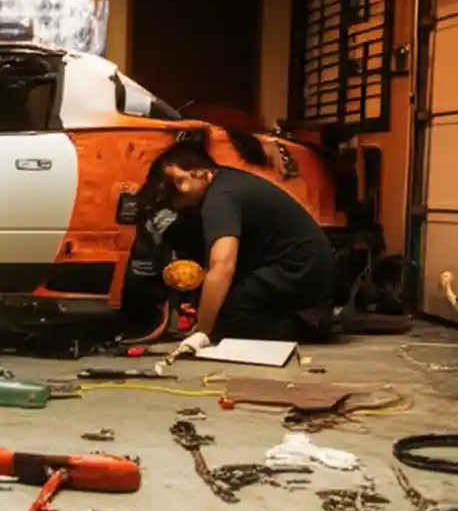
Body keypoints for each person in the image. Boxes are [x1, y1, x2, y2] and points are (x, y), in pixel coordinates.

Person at [141, 141, 336, 354]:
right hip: (294, 265)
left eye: (179, 181)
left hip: (302, 269)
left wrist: (203, 332)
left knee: (230, 320)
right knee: (219, 305)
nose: (178, 192)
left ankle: (310, 326)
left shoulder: (221, 198)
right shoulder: (224, 182)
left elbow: (223, 266)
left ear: (203, 173)